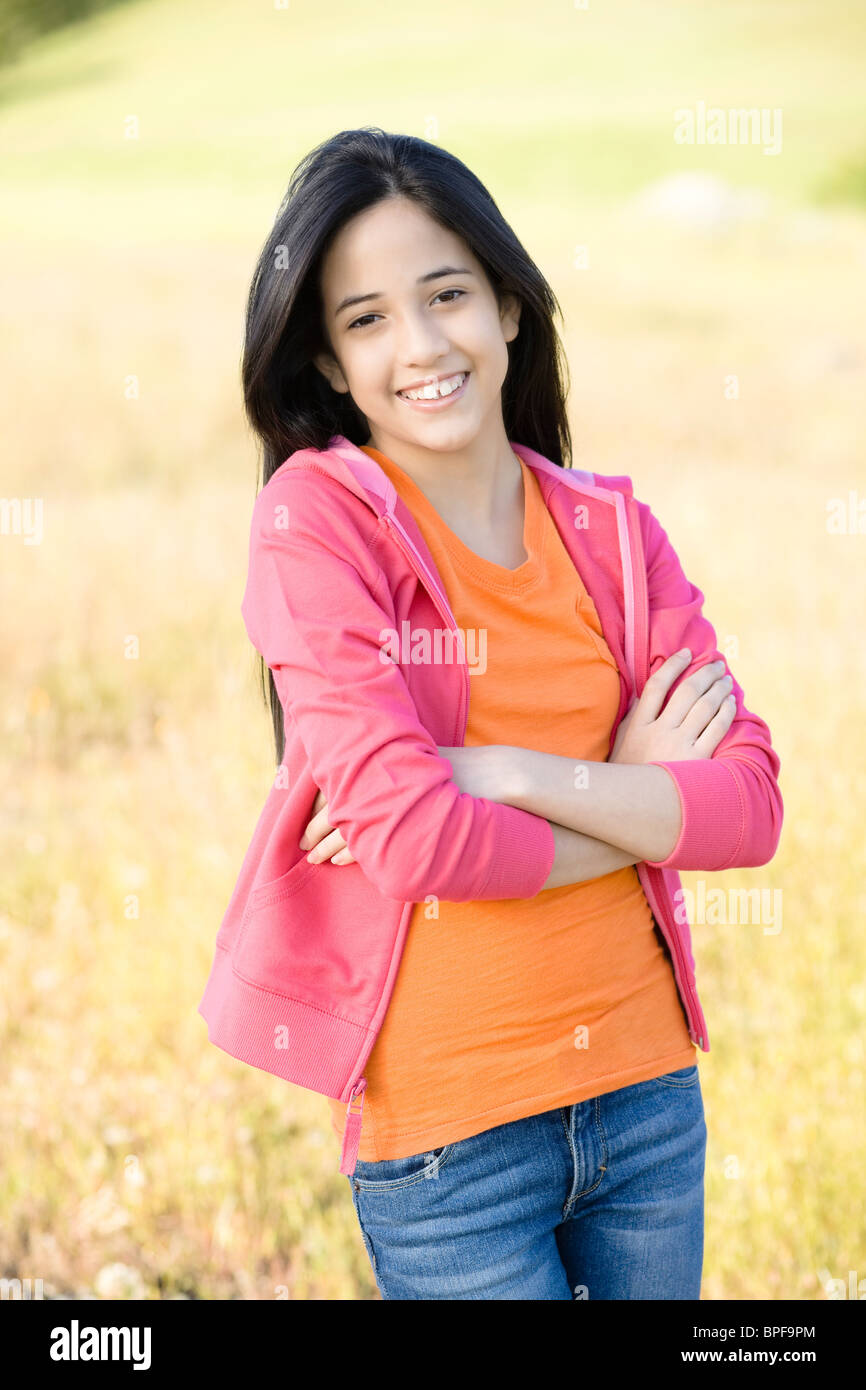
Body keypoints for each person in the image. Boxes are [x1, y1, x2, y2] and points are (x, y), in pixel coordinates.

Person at [198, 126, 783, 1300]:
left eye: (446, 294)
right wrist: (632, 799)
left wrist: (496, 771)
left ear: (508, 308)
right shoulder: (315, 526)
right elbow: (414, 843)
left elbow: (750, 813)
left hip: (644, 1100)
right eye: (365, 318)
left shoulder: (614, 533)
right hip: (450, 1148)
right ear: (324, 361)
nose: (420, 346)